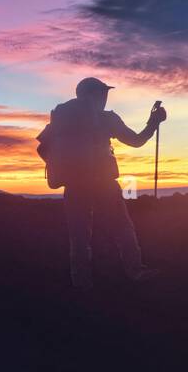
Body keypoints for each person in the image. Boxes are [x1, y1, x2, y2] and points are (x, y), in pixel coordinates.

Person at [36, 77, 166, 289]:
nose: (106, 97)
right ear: (97, 95)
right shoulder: (106, 118)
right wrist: (154, 122)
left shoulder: (60, 121)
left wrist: (64, 167)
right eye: (104, 93)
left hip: (73, 185)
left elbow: (42, 149)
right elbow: (136, 141)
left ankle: (81, 283)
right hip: (103, 183)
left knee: (78, 237)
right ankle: (135, 271)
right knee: (122, 227)